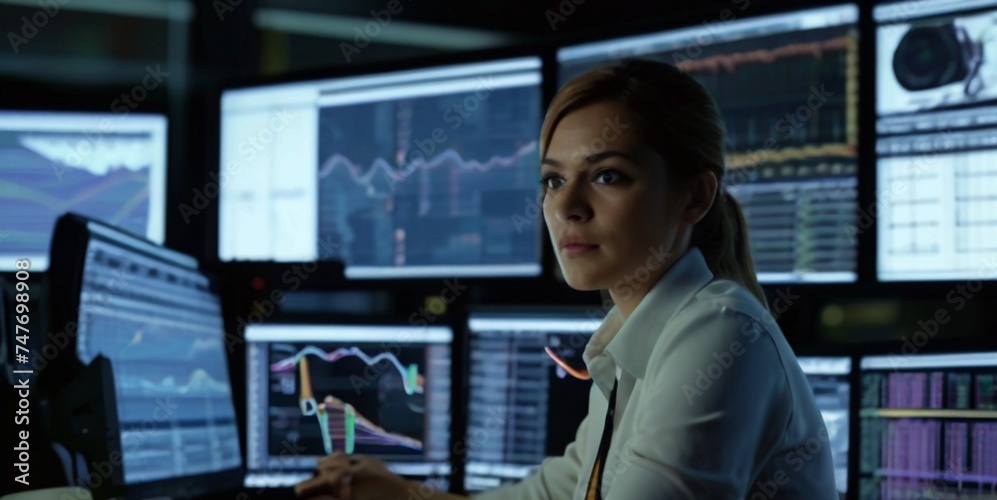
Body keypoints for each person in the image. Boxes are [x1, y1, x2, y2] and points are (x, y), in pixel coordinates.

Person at [293, 59, 837, 500]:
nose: (567, 208)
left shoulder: (718, 331)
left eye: (607, 176)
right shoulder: (633, 341)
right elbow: (548, 494)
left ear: (694, 196)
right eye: (553, 180)